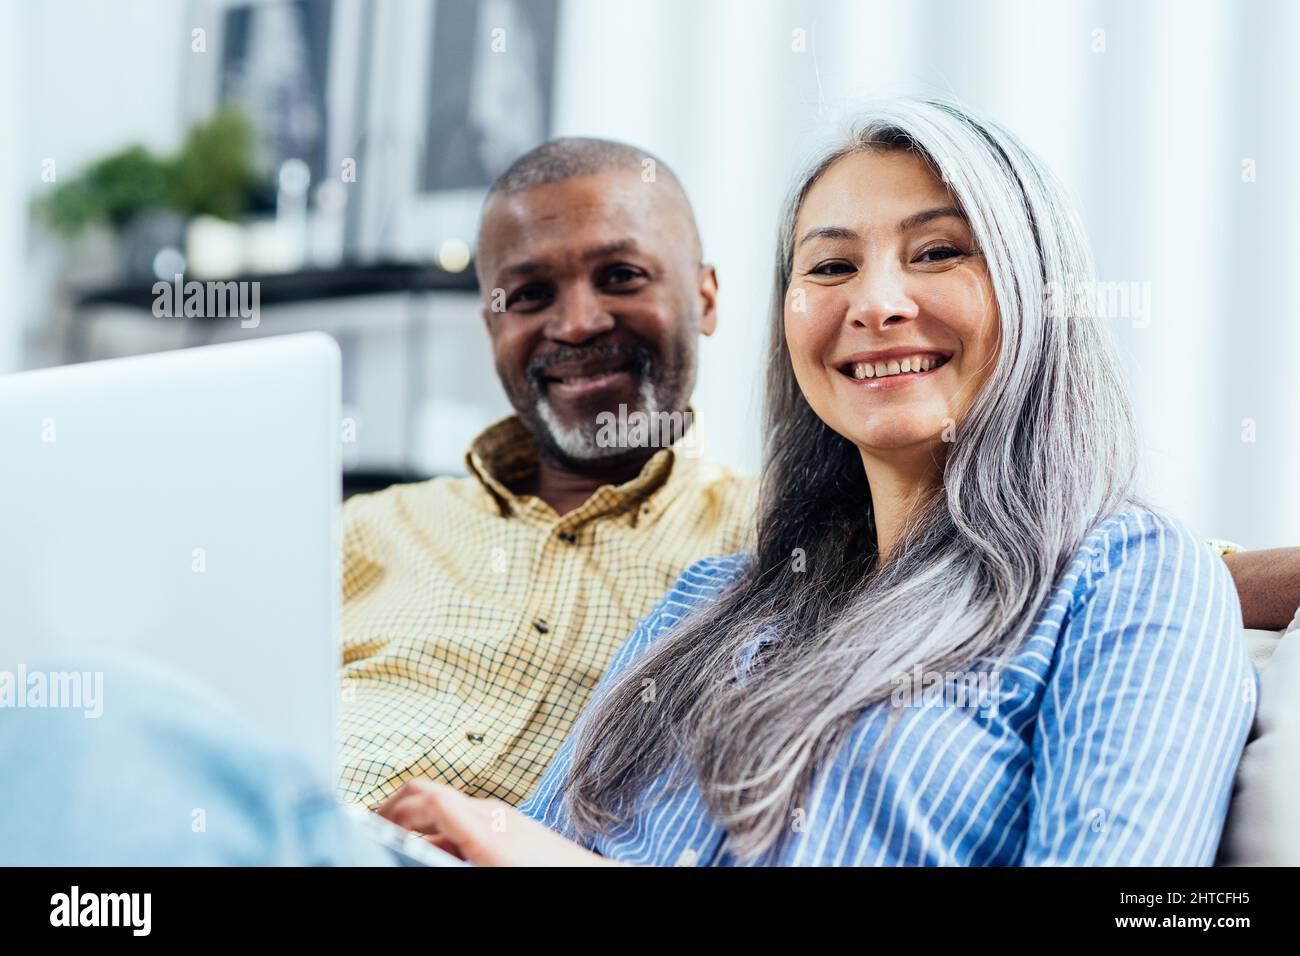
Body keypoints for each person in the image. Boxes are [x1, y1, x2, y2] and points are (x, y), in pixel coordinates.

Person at [374, 98, 1259, 866]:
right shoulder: (707, 602)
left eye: (938, 250)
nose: (873, 304)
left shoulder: (1129, 579)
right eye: (831, 266)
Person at [337, 137, 754, 808]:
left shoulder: (782, 541)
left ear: (704, 298)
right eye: (529, 295)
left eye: (621, 275)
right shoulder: (364, 528)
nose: (578, 324)